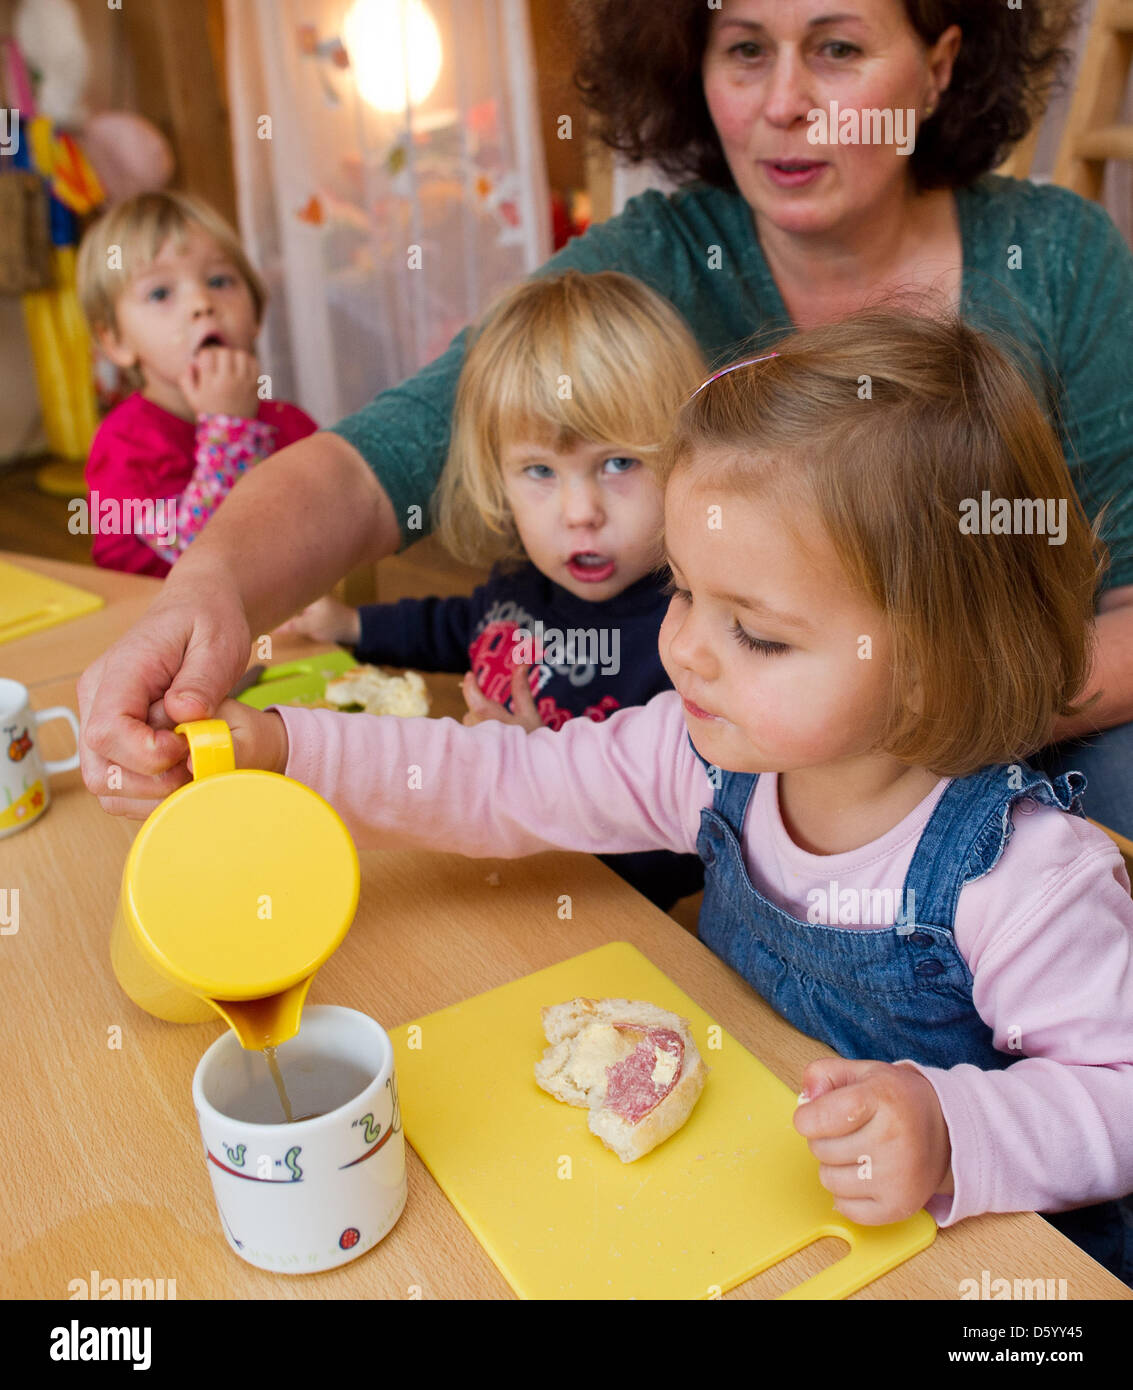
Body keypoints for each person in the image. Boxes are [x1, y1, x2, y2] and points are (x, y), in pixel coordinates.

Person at [212, 313, 1133, 1283]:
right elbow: (504, 781)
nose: (684, 648)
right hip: (751, 1209)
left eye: (758, 635)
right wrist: (280, 747)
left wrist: (952, 1132)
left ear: (930, 667)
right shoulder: (701, 756)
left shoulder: (1022, 877)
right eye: (684, 590)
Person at [78, 0, 1133, 838]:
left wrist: (899, 725)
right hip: (766, 794)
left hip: (1042, 736)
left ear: (941, 63)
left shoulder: (1053, 259)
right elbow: (381, 457)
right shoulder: (659, 262)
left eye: (837, 47)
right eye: (741, 50)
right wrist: (208, 590)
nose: (783, 102)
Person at [276, 270, 708, 909]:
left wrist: (536, 768)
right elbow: (460, 627)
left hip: (599, 906)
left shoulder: (686, 633)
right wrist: (352, 628)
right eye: (539, 470)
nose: (579, 510)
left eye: (619, 463)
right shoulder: (521, 583)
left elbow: (683, 842)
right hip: (487, 875)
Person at [77, 191, 317, 577]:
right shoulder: (124, 445)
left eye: (220, 281)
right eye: (160, 293)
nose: (202, 304)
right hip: (160, 621)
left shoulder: (291, 424)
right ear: (117, 341)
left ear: (256, 312)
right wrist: (228, 428)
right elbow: (203, 559)